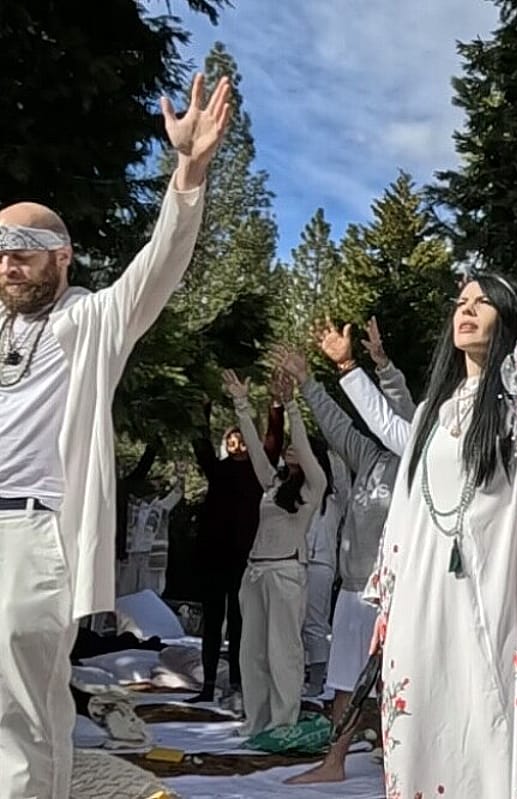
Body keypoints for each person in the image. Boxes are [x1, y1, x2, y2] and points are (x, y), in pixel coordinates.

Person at [342, 121, 517, 798]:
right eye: (460, 301)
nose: (467, 309)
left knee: (487, 718)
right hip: (426, 592)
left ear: (507, 317)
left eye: (482, 301)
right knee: (425, 721)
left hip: (496, 590)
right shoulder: (434, 410)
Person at [0, 73, 230, 798]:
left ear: (62, 255)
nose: (8, 259)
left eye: (25, 246)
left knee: (24, 713)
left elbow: (158, 267)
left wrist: (188, 171)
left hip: (35, 536)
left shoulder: (91, 319)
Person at [273, 329, 414, 785]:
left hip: (398, 595)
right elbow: (338, 424)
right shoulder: (369, 455)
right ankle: (334, 762)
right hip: (354, 589)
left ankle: (407, 768)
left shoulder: (415, 457)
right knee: (344, 684)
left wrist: (383, 367)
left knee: (402, 684)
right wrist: (307, 382)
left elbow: (403, 413)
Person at [222, 368, 330, 735]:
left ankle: (283, 722)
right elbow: (254, 450)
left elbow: (301, 443)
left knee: (283, 651)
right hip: (255, 572)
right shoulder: (274, 483)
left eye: (297, 446)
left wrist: (292, 407)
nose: (291, 448)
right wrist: (240, 403)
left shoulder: (313, 486)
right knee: (251, 653)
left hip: (286, 573)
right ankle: (257, 721)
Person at [188, 396, 284, 704]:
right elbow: (201, 449)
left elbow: (274, 440)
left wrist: (276, 407)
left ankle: (240, 682)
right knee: (213, 622)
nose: (236, 444)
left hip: (245, 556)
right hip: (215, 555)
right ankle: (209, 683)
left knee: (241, 622)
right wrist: (200, 409)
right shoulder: (219, 471)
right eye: (230, 440)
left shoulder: (260, 470)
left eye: (241, 439)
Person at [300, 447, 349, 697]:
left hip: (321, 564)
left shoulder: (335, 499)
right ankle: (298, 674)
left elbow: (341, 479)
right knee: (292, 622)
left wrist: (333, 448)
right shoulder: (298, 494)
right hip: (295, 562)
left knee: (315, 623)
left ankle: (317, 678)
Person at [118, 461, 186, 596]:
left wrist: (180, 475)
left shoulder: (161, 507)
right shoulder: (133, 506)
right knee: (126, 592)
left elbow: (177, 493)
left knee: (149, 592)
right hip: (132, 555)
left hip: (151, 556)